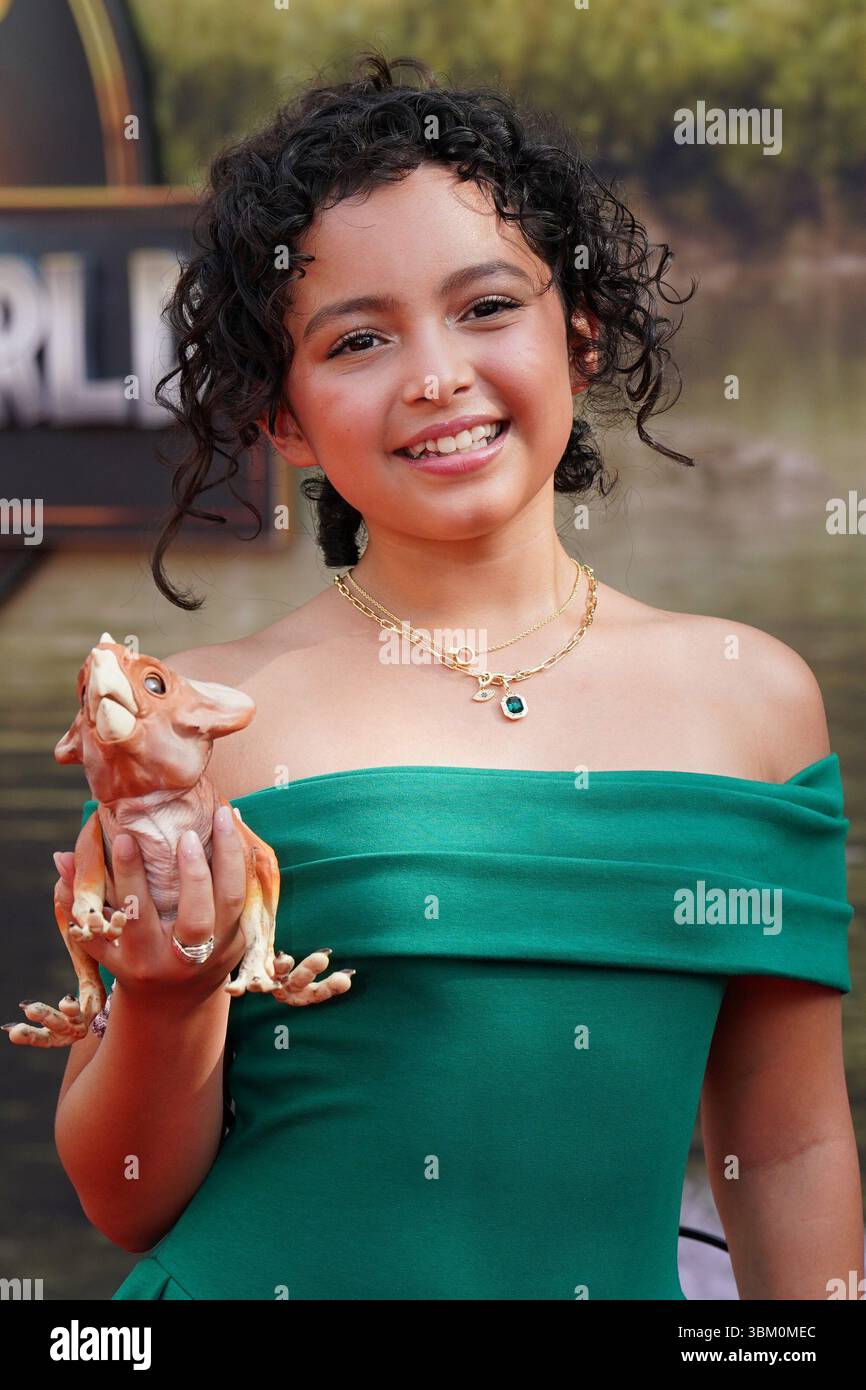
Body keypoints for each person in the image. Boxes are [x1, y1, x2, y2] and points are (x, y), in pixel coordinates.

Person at [47, 49, 861, 1300]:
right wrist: (167, 997)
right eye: (359, 338)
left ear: (578, 332)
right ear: (284, 417)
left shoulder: (748, 700)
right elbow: (126, 1200)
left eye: (486, 308)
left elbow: (789, 1145)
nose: (434, 373)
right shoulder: (199, 719)